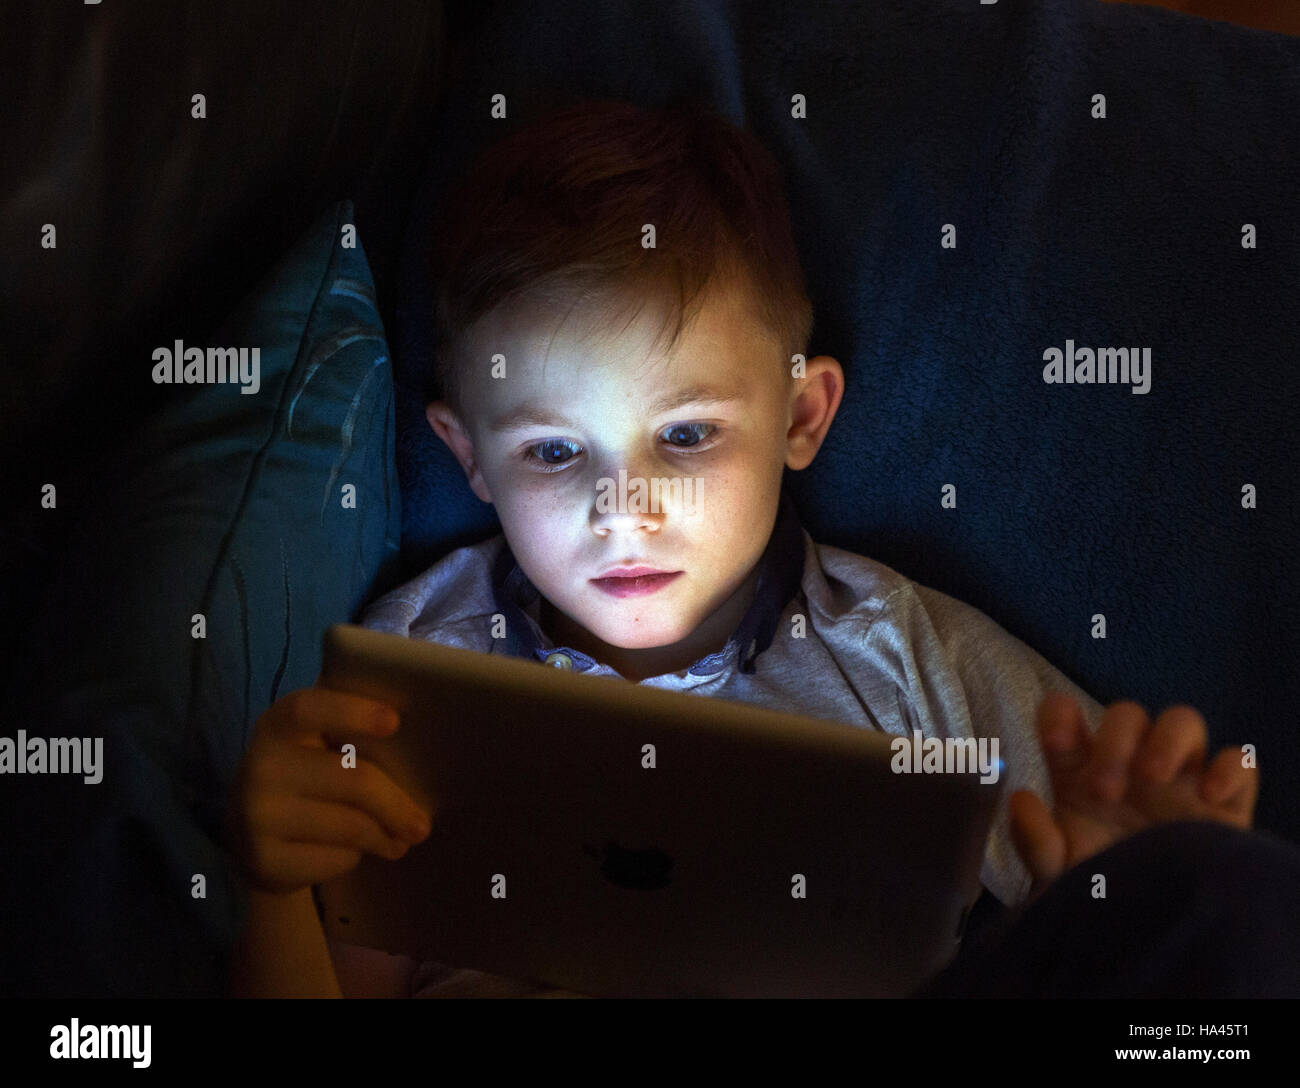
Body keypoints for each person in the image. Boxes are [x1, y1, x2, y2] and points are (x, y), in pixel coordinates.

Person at [224, 98, 1265, 999]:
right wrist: (269, 887)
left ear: (801, 416)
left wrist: (1130, 894)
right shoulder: (411, 670)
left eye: (686, 432)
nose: (622, 509)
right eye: (552, 449)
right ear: (469, 458)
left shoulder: (903, 657)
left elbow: (1136, 921)